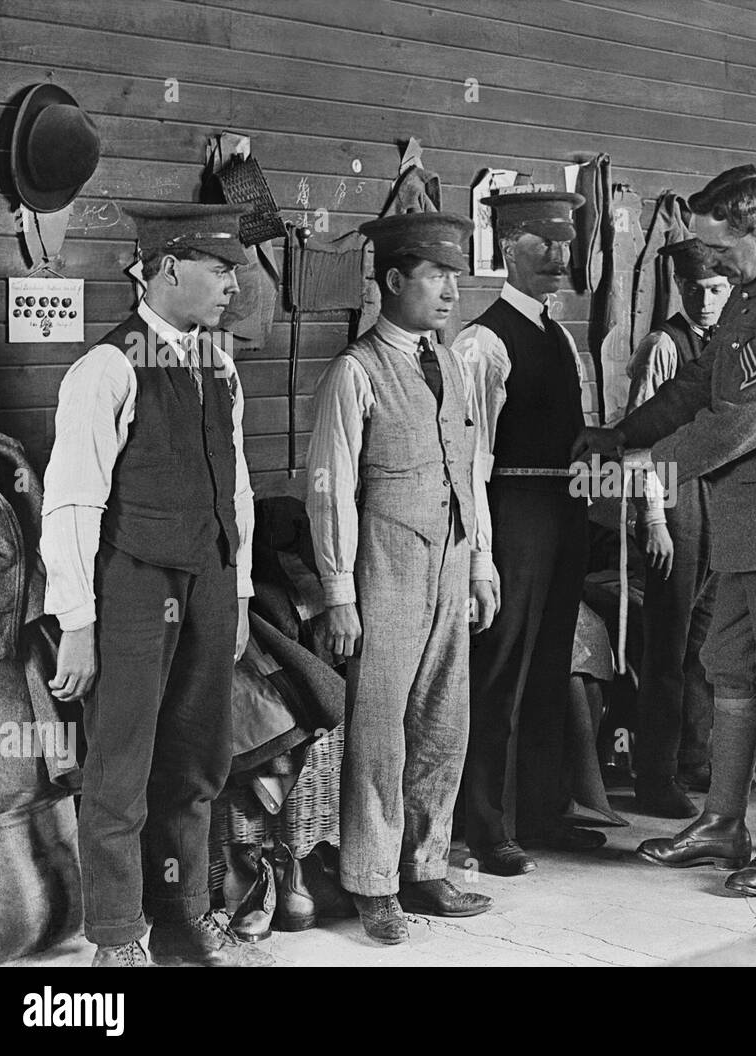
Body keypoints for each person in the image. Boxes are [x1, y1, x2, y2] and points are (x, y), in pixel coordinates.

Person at [574, 165, 756, 896]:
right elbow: (701, 384)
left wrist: (646, 463)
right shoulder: (753, 293)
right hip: (750, 520)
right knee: (729, 666)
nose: (716, 266)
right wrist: (620, 433)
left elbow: (736, 423)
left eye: (725, 250)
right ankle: (723, 824)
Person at [41, 203, 257, 967]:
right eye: (219, 268)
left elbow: (237, 489)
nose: (234, 284)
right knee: (120, 770)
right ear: (167, 267)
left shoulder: (218, 362)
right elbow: (71, 497)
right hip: (132, 584)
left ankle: (185, 916)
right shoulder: (106, 368)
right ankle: (117, 938)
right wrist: (75, 619)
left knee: (199, 762)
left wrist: (240, 593)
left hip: (210, 580)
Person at [306, 213, 497, 943]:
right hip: (383, 568)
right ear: (391, 280)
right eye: (435, 275)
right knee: (380, 731)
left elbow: (471, 472)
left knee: (445, 722)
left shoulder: (449, 363)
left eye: (455, 275)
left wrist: (481, 563)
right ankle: (372, 883)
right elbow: (327, 486)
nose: (451, 290)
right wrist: (338, 594)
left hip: (449, 564)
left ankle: (425, 867)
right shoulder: (354, 370)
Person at [453, 190, 607, 876]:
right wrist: (482, 557)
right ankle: (485, 826)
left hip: (561, 512)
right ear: (507, 247)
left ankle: (544, 812)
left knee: (551, 665)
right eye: (544, 242)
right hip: (510, 513)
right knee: (501, 670)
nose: (560, 257)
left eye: (567, 243)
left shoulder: (558, 333)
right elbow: (471, 461)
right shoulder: (481, 342)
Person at [625, 238, 731, 817]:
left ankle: (697, 756)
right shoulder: (663, 345)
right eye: (695, 289)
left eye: (717, 289)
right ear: (680, 288)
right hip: (675, 500)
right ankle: (654, 776)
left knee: (706, 643)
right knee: (666, 644)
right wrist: (655, 518)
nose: (707, 299)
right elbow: (644, 440)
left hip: (717, 497)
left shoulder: (728, 342)